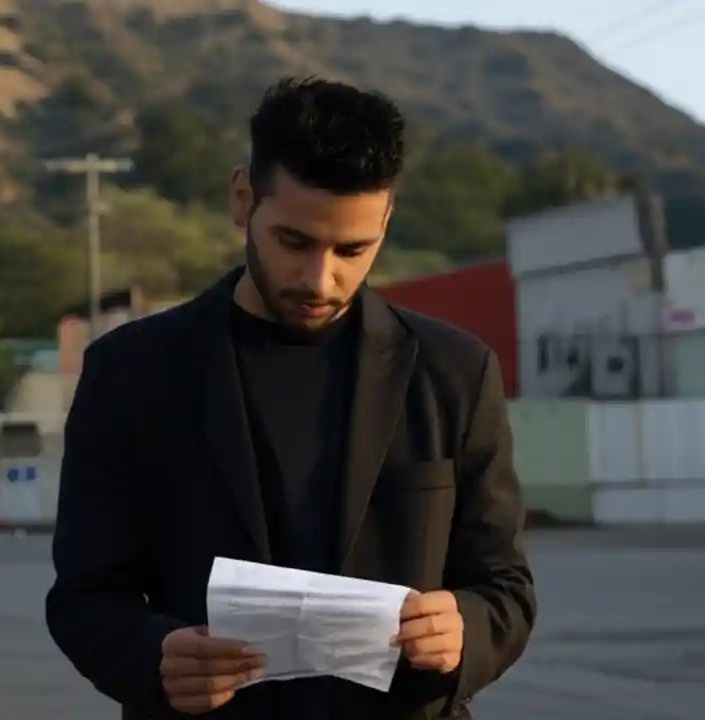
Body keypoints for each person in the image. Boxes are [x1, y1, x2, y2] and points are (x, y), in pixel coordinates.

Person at [44, 76, 536, 720]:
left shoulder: (455, 373)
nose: (320, 278)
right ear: (244, 199)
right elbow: (84, 594)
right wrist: (153, 655)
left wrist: (463, 629)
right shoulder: (130, 374)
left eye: (354, 249)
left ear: (386, 221)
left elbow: (506, 588)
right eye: (294, 242)